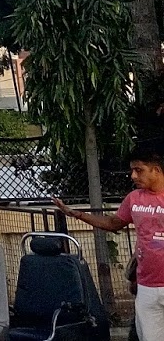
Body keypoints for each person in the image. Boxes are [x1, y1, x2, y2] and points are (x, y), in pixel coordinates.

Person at [56, 144, 164, 341]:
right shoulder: (134, 199)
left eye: (138, 170)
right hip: (147, 286)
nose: (133, 176)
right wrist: (78, 214)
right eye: (132, 170)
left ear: (156, 170)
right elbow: (114, 223)